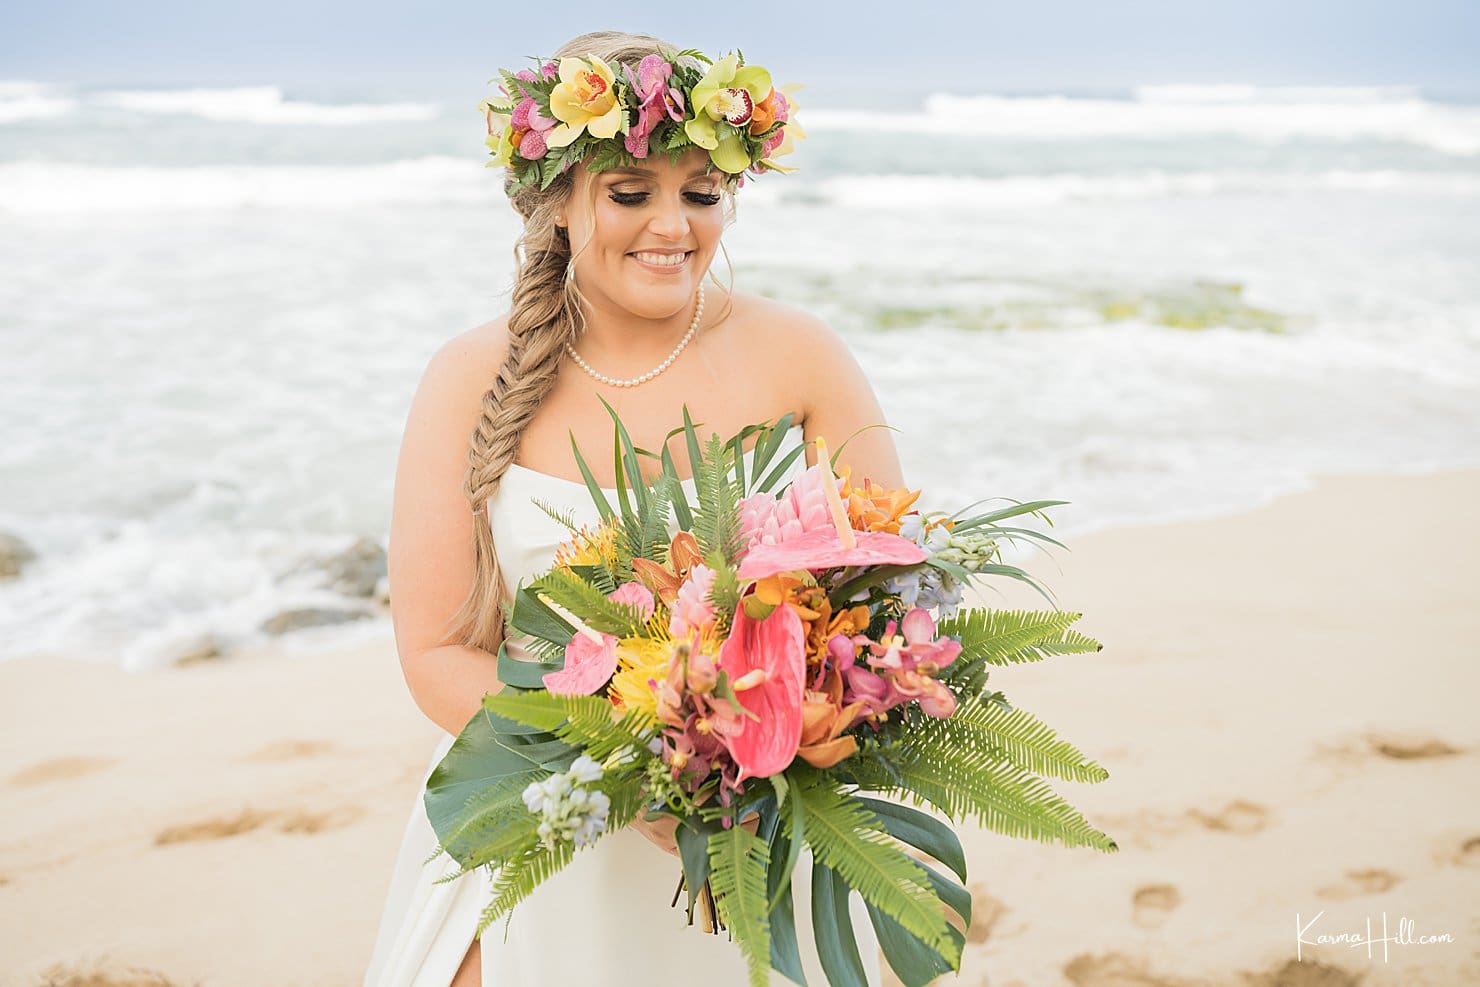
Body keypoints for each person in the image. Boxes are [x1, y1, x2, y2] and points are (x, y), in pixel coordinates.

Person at [362, 30, 904, 986]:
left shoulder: (802, 355)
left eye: (701, 193)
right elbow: (435, 653)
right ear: (558, 203)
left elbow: (885, 595)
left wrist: (747, 765)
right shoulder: (466, 377)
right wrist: (639, 774)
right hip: (540, 825)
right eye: (630, 192)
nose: (673, 225)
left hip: (757, 839)